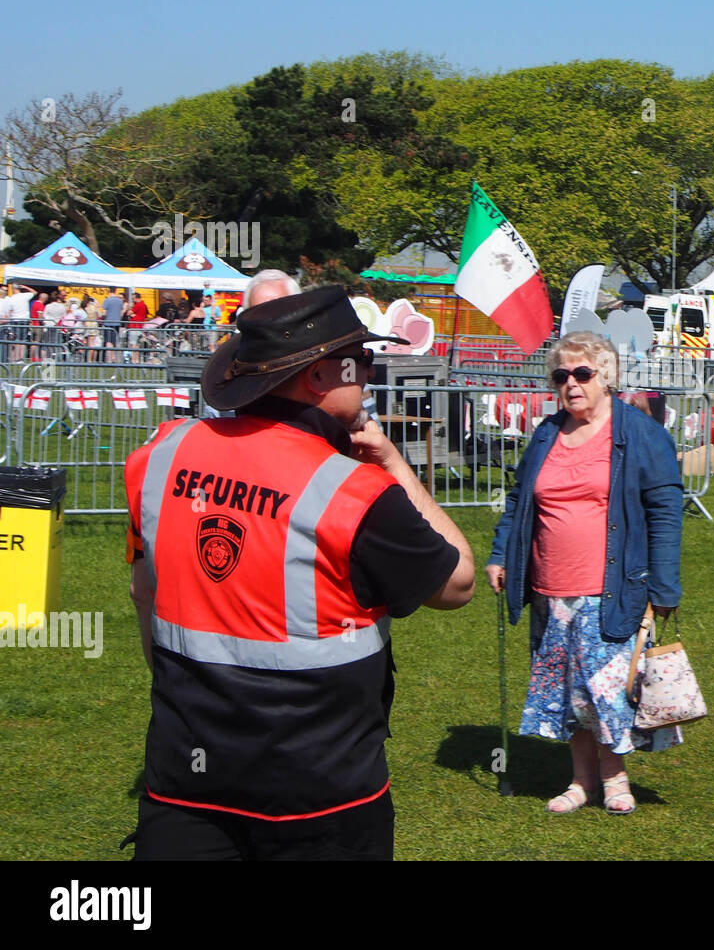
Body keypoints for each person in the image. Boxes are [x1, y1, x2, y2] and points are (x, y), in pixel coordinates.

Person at [123, 286, 475, 860]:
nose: (369, 372)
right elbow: (458, 583)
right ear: (317, 376)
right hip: (321, 797)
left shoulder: (160, 455)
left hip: (184, 776)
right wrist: (392, 462)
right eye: (361, 360)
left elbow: (145, 595)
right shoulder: (356, 491)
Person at [487, 330, 683, 815]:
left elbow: (665, 511)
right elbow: (518, 501)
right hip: (549, 591)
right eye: (561, 375)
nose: (571, 384)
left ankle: (615, 780)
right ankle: (580, 781)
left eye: (582, 373)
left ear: (606, 376)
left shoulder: (640, 434)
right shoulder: (546, 434)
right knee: (568, 692)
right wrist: (500, 554)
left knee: (606, 690)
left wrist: (664, 586)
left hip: (611, 590)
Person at [101, 286, 124, 360]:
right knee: (115, 341)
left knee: (108, 341)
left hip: (108, 323)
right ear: (115, 291)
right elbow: (121, 313)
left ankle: (109, 358)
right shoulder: (120, 301)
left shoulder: (107, 300)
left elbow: (104, 313)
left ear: (109, 291)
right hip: (117, 323)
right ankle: (114, 357)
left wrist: (102, 319)